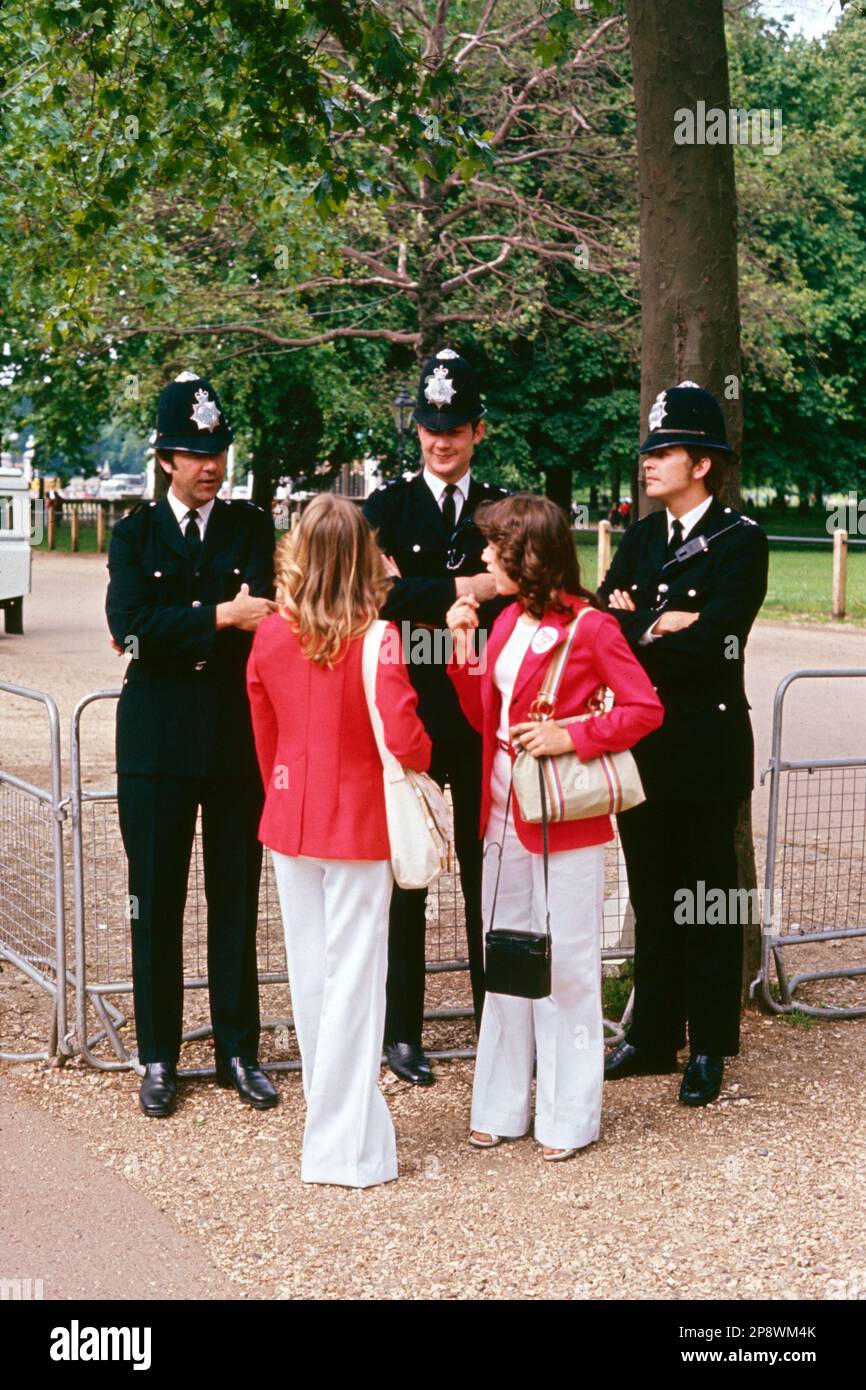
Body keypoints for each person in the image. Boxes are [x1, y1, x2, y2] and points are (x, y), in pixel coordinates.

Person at [446, 495, 663, 1160]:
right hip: (502, 811)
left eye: (495, 549)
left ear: (528, 555)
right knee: (507, 957)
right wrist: (462, 650)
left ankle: (570, 1114)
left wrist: (570, 736)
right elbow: (488, 717)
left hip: (565, 815)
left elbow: (643, 709)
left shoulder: (593, 627)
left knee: (567, 964)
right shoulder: (506, 619)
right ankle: (502, 1105)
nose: (484, 559)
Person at [106, 372, 278, 1119]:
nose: (208, 464)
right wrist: (217, 617)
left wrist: (204, 622)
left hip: (236, 738)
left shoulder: (250, 528)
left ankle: (239, 1049)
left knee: (235, 898)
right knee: (157, 902)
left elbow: (267, 613)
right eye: (191, 451)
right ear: (164, 458)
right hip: (157, 741)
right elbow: (130, 629)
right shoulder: (133, 534)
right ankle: (158, 1056)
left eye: (216, 450)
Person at [246, 495, 431, 1187]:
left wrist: (286, 795)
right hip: (359, 825)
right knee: (355, 982)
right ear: (363, 557)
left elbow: (266, 738)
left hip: (292, 819)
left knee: (312, 979)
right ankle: (340, 1148)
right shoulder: (379, 639)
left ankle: (343, 1139)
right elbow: (408, 740)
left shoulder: (268, 636)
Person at [598, 382, 769, 1106]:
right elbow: (602, 628)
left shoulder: (741, 541)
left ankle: (710, 1047)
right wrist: (658, 626)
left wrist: (654, 629)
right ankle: (654, 1035)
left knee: (708, 899)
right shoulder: (639, 537)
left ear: (702, 463)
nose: (648, 463)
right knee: (653, 895)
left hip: (705, 745)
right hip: (644, 746)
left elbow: (718, 647)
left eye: (662, 452)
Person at [363, 348, 509, 1086]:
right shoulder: (384, 509)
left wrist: (416, 586)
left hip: (483, 710)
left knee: (490, 876)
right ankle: (402, 1033)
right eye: (428, 425)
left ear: (479, 429)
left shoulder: (504, 508)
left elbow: (527, 589)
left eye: (453, 427)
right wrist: (468, 584)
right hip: (410, 711)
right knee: (406, 877)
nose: (439, 440)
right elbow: (369, 596)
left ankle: (497, 1024)